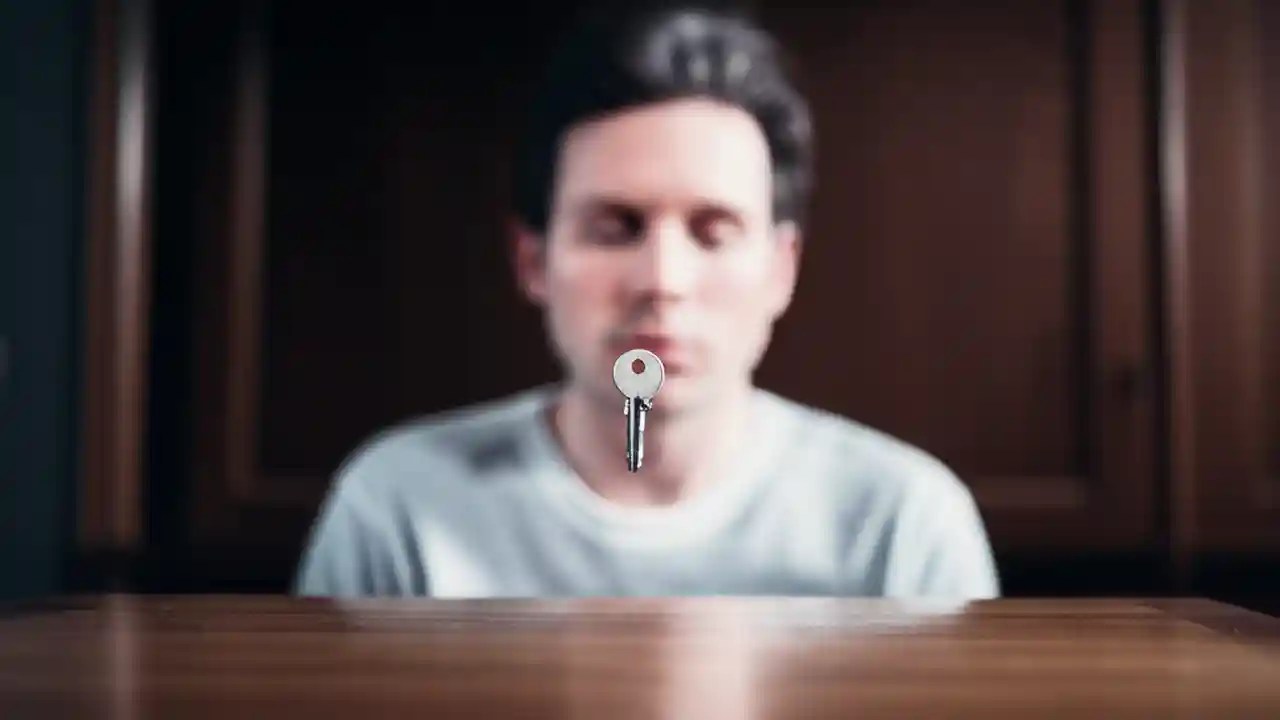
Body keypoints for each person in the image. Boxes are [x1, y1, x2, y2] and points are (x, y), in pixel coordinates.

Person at [293, 3, 1000, 599]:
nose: (663, 279)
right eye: (615, 228)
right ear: (532, 260)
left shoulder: (903, 524)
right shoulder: (397, 507)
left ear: (781, 269)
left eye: (712, 232)